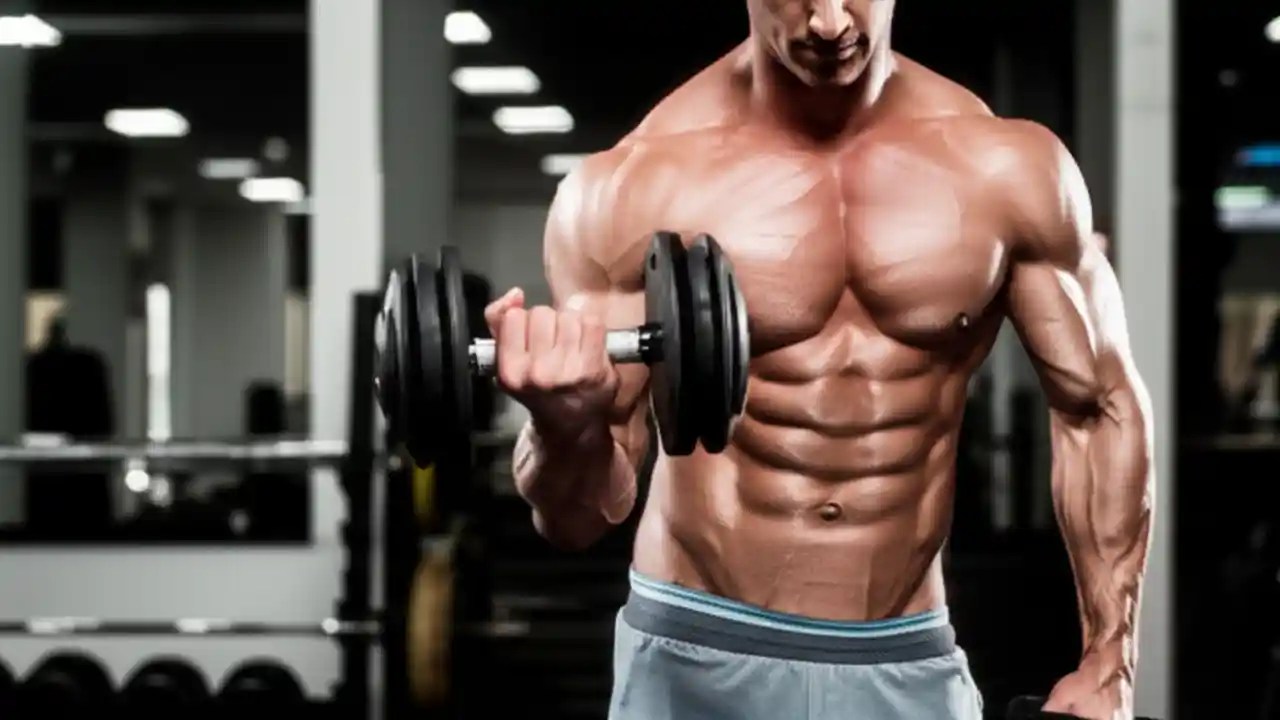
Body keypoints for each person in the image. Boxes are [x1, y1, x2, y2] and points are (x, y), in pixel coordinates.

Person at [484, 1, 1155, 718]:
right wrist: (565, 425)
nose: (831, 23)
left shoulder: (1007, 167)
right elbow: (580, 517)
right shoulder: (635, 183)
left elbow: (1098, 408)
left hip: (906, 655)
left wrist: (1110, 660)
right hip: (696, 654)